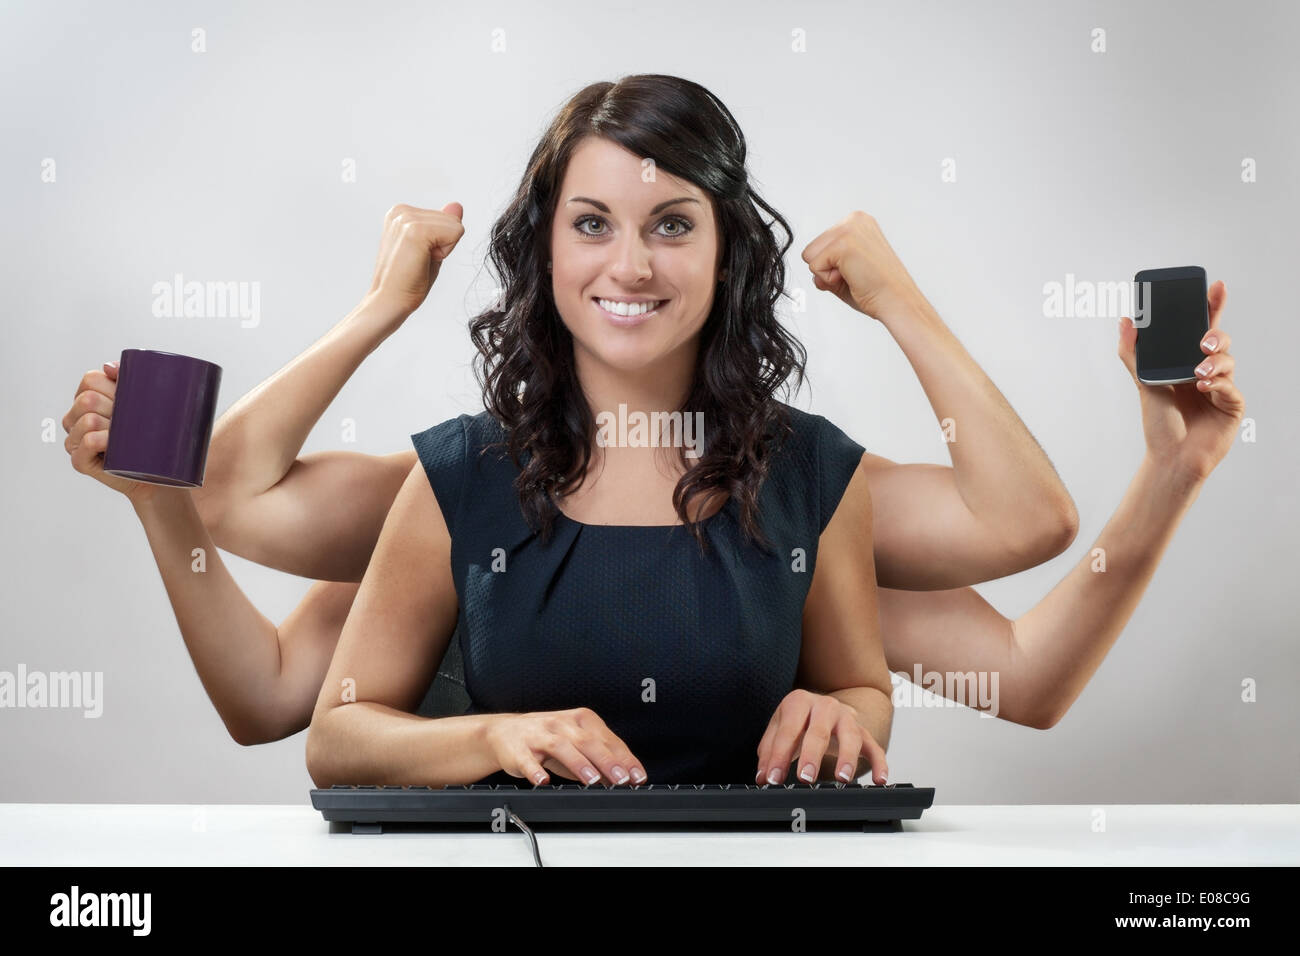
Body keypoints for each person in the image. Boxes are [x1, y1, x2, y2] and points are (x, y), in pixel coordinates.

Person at [61, 75, 1245, 786]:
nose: (629, 261)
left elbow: (1024, 585)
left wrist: (903, 298)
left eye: (673, 224)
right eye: (591, 223)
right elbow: (244, 566)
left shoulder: (800, 492)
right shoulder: (457, 480)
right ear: (546, 249)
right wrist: (383, 305)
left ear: (727, 252)